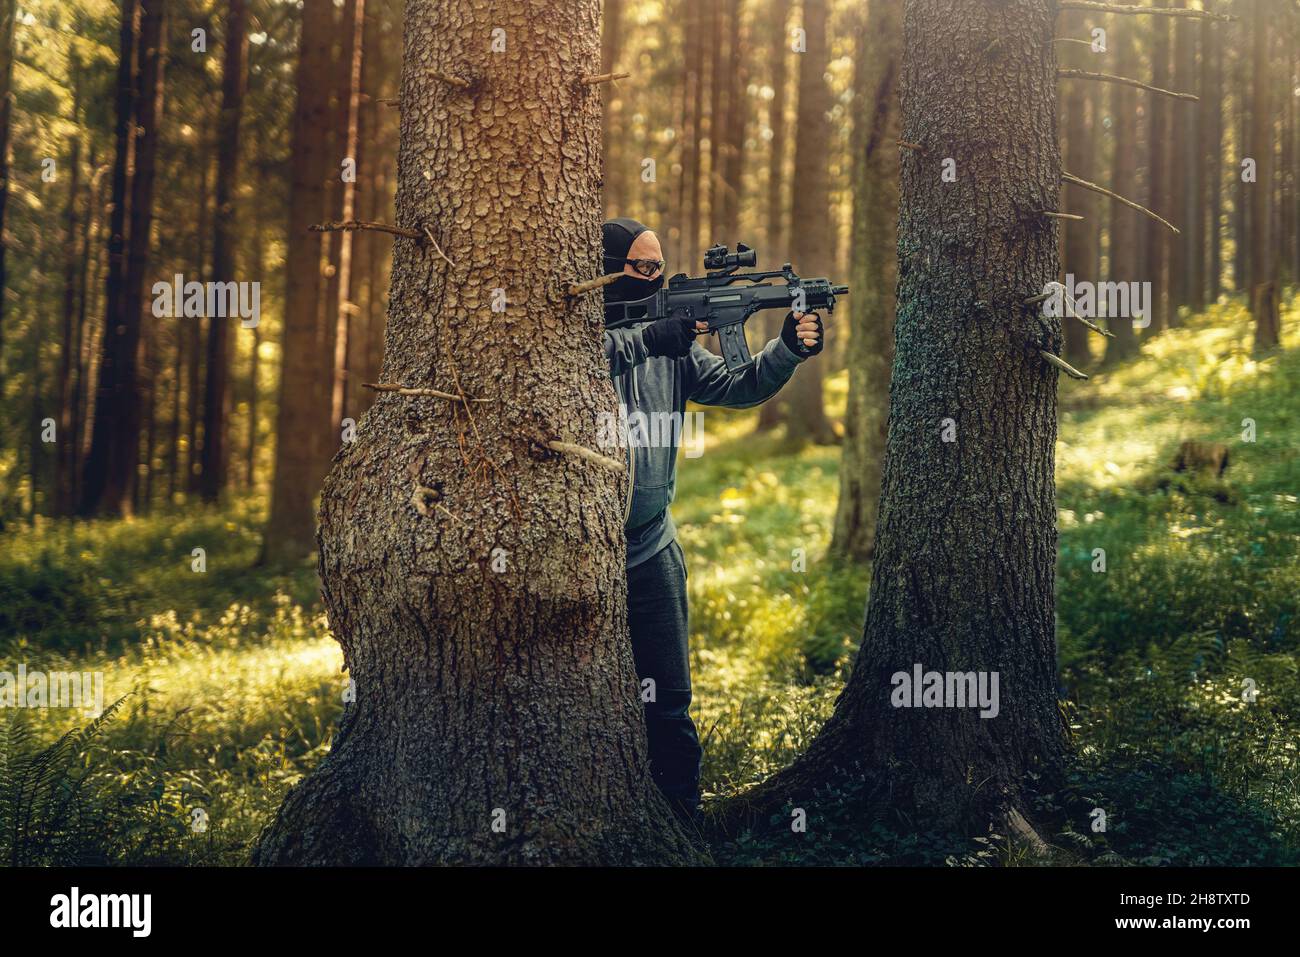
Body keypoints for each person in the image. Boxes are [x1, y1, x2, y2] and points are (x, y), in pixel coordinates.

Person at [601, 216, 824, 822]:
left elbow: (736, 384)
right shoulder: (583, 337)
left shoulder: (669, 345)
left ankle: (679, 826)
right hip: (578, 564)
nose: (654, 278)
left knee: (668, 704)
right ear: (606, 272)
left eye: (659, 267)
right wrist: (653, 337)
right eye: (642, 268)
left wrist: (788, 349)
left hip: (650, 549)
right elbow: (571, 365)